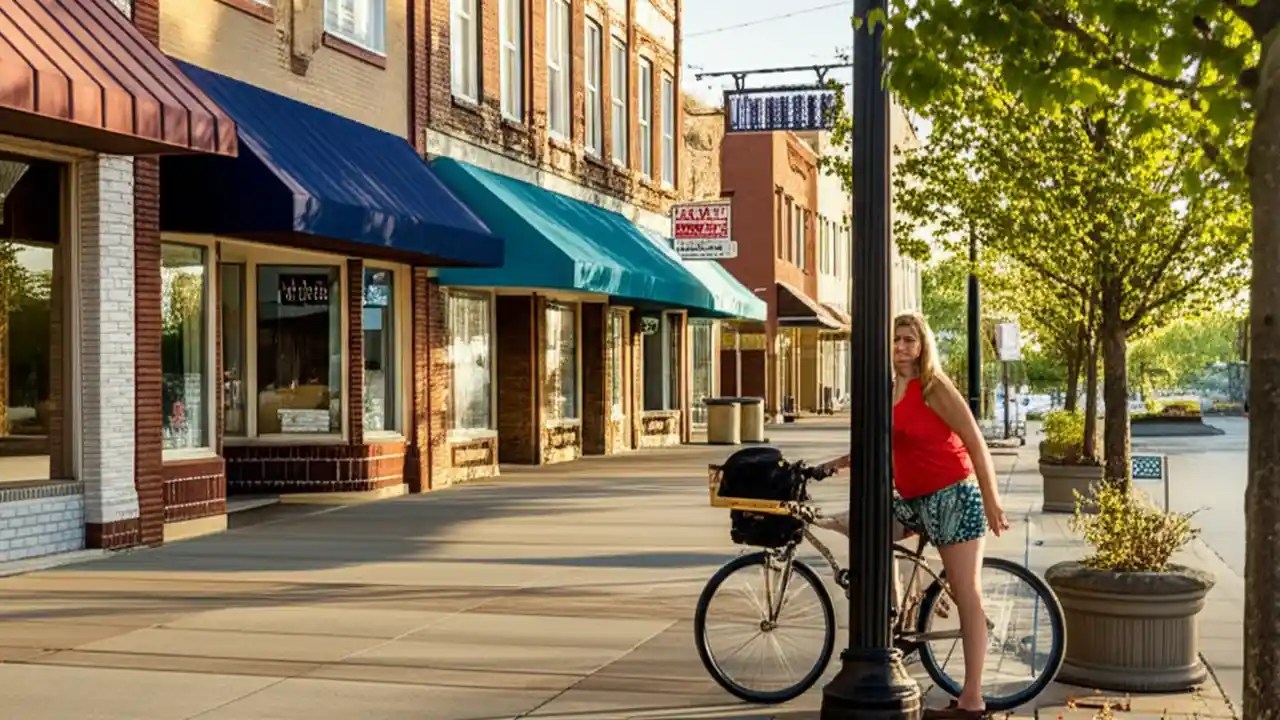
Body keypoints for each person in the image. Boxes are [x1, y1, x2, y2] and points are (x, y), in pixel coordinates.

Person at [816, 311, 1009, 720]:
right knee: (859, 524)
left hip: (955, 496)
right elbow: (878, 449)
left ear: (923, 345)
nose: (901, 347)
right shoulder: (888, 392)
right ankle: (920, 581)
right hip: (916, 501)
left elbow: (976, 442)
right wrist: (834, 464)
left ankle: (972, 699)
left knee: (967, 592)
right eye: (896, 340)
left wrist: (992, 501)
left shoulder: (934, 388)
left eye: (909, 340)